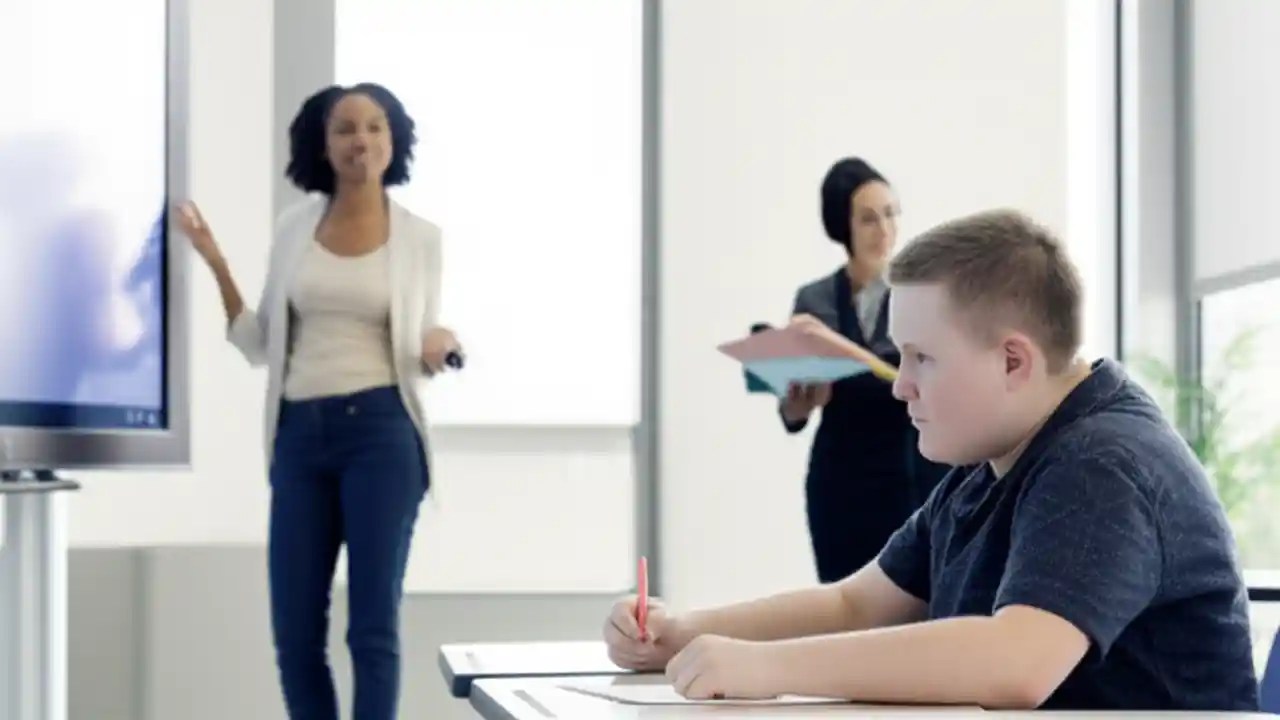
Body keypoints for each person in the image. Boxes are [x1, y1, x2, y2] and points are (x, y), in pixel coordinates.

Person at [604, 209, 1258, 711]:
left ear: (1012, 360)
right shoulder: (990, 465)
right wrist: (683, 635)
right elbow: (855, 607)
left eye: (921, 357)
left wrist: (764, 669)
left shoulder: (1103, 465)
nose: (899, 385)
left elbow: (1017, 662)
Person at [178, 82, 459, 720]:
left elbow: (421, 340)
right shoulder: (295, 229)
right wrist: (217, 262)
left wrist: (439, 344)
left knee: (372, 629)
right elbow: (259, 345)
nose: (361, 140)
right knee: (296, 634)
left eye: (375, 127)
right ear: (324, 144)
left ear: (394, 140)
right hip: (300, 437)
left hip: (383, 435)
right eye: (345, 129)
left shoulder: (420, 238)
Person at [781, 157, 948, 583]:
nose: (885, 229)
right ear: (844, 227)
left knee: (914, 608)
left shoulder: (924, 293)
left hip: (913, 475)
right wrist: (798, 400)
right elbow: (793, 417)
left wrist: (836, 345)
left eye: (891, 214)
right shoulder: (814, 298)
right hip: (840, 481)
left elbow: (912, 377)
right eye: (869, 219)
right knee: (840, 611)